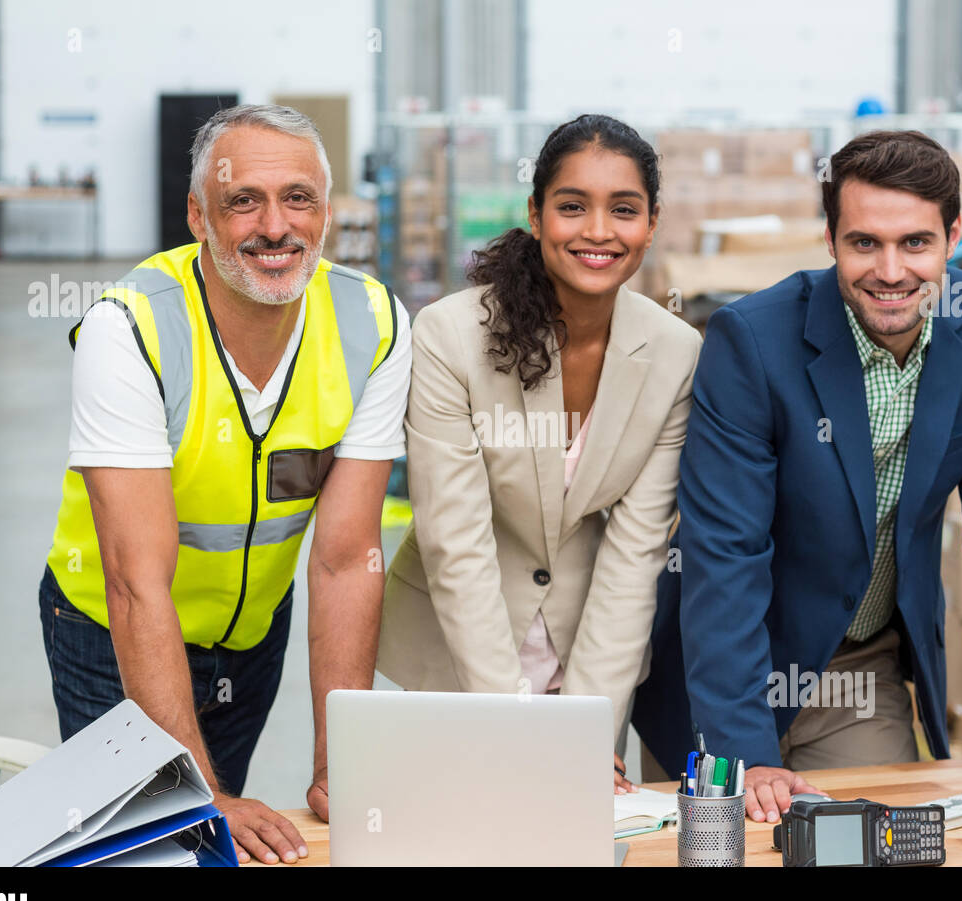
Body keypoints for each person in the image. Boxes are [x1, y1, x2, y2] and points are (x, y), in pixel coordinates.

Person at [39, 105, 411, 862]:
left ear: (328, 212)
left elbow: (344, 560)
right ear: (197, 216)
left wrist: (342, 761)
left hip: (250, 638)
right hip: (108, 631)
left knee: (220, 853)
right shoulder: (132, 328)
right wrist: (199, 795)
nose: (275, 226)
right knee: (148, 846)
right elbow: (137, 582)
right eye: (244, 200)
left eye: (298, 198)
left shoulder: (372, 323)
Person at [641, 129, 962, 823]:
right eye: (865, 243)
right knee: (718, 848)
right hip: (725, 667)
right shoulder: (752, 341)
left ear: (952, 237)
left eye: (915, 243)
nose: (890, 271)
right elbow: (725, 552)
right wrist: (742, 748)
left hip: (858, 668)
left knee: (880, 843)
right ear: (830, 240)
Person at [376, 115, 700, 793]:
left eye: (624, 210)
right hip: (455, 659)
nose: (598, 231)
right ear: (536, 213)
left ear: (652, 222)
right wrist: (517, 730)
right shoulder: (450, 336)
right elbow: (453, 541)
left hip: (588, 658)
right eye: (572, 206)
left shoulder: (674, 353)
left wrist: (585, 728)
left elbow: (636, 551)